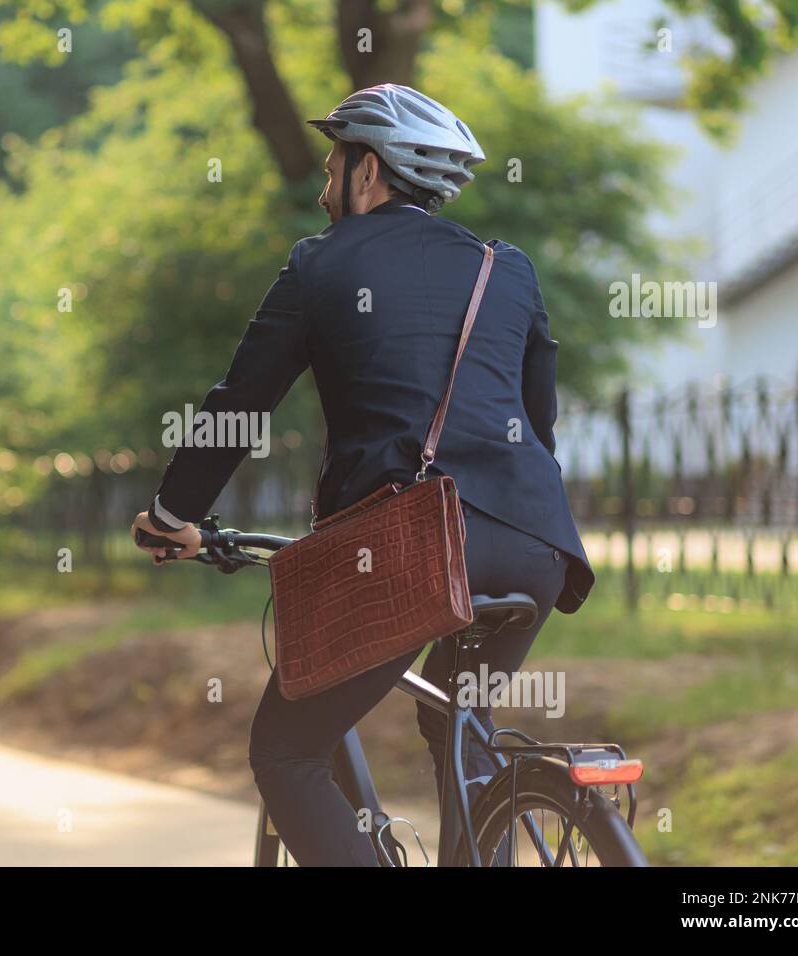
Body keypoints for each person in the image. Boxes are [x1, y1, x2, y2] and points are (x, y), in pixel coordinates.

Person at [130, 84, 594, 866]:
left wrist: (176, 511)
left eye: (331, 165)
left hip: (416, 544)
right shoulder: (504, 268)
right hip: (539, 542)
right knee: (459, 716)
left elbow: (241, 405)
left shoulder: (320, 264)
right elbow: (535, 422)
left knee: (286, 753)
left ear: (368, 171)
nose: (322, 186)